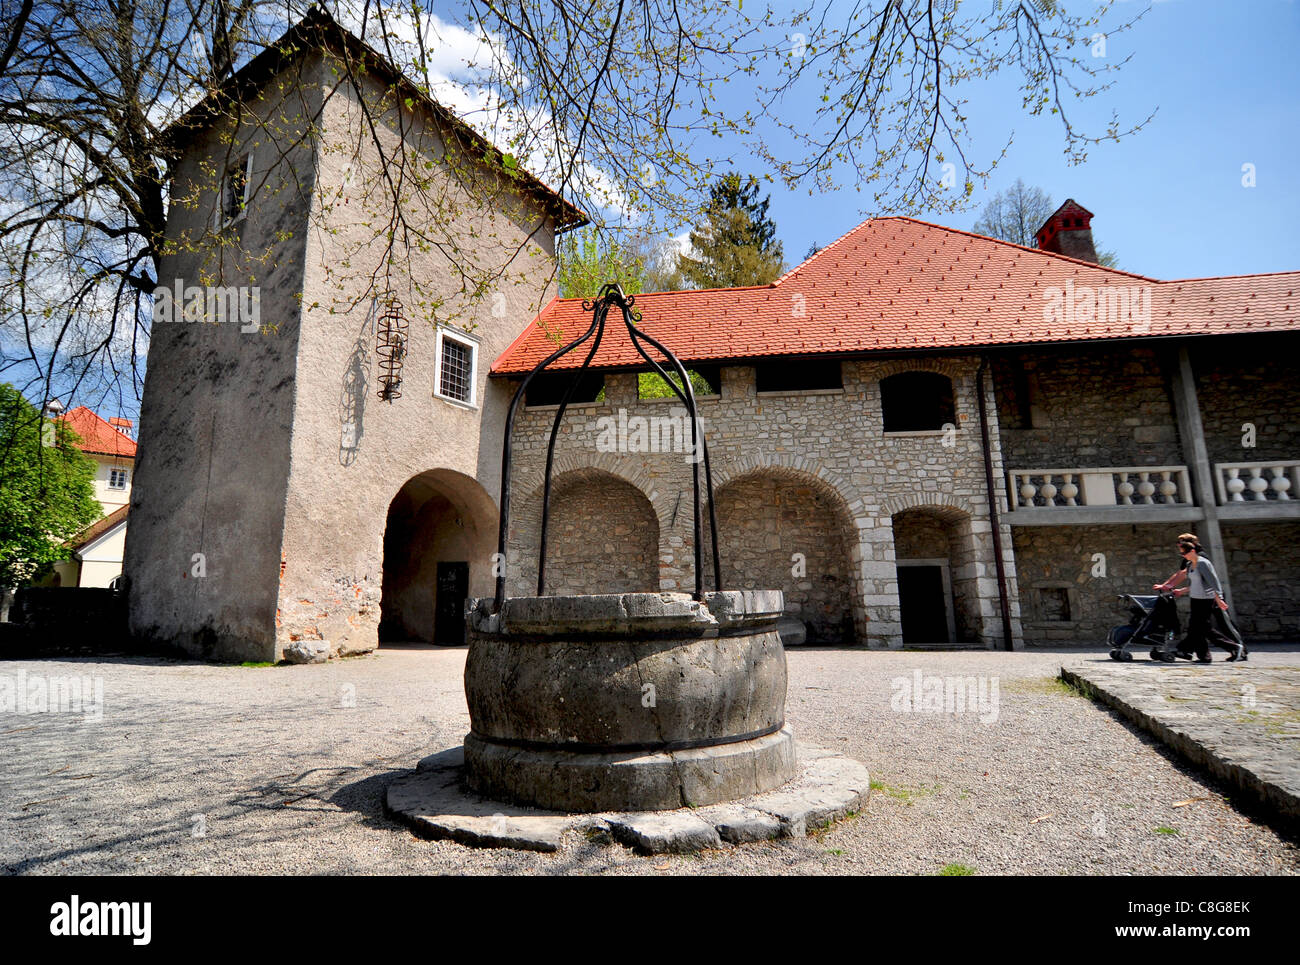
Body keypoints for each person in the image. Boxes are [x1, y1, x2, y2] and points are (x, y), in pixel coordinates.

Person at [1153, 533, 1247, 662]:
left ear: (1191, 546)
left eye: (1181, 543)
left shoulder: (1201, 559)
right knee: (1201, 627)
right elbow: (1184, 575)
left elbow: (1211, 582)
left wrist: (1218, 599)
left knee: (1222, 624)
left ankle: (1238, 650)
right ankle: (1202, 655)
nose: (1179, 547)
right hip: (1198, 598)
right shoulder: (1189, 561)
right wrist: (1169, 587)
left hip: (1210, 598)